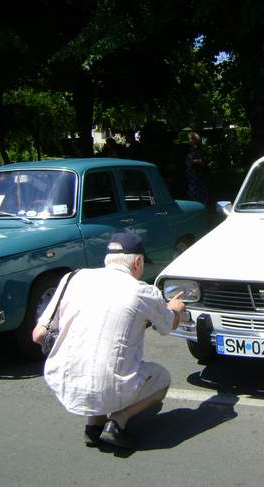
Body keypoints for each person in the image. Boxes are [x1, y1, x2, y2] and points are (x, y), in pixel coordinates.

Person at [32, 231, 186, 448]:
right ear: (138, 262)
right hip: (109, 387)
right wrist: (175, 309)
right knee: (161, 378)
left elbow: (38, 334)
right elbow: (168, 326)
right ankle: (117, 421)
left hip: (64, 383)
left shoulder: (73, 278)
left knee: (96, 362)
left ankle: (93, 425)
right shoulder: (142, 291)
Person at [185, 131, 210, 207]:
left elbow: (204, 162)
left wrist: (195, 161)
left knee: (201, 192)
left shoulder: (200, 150)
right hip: (191, 174)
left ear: (195, 139)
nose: (189, 141)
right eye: (189, 139)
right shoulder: (189, 150)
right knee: (192, 192)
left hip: (199, 174)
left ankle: (203, 206)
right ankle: (196, 206)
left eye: (191, 139)